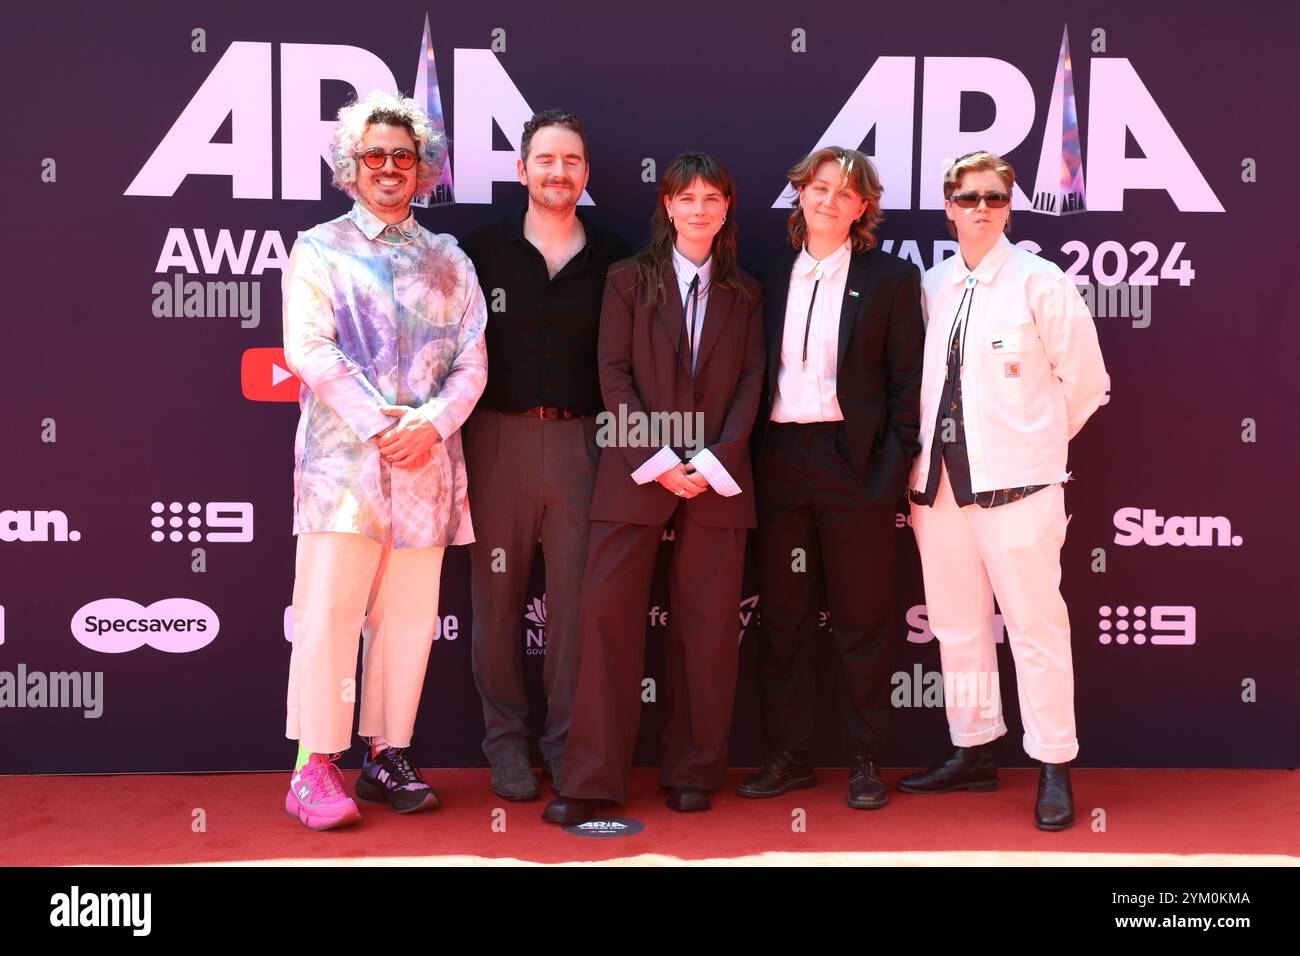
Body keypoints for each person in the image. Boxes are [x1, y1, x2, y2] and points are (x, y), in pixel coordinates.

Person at [281, 89, 488, 830]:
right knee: (330, 616)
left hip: (427, 472)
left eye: (404, 155)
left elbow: (472, 361)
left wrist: (431, 424)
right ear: (352, 165)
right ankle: (313, 767)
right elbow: (310, 350)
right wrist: (381, 427)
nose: (390, 166)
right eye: (375, 155)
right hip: (343, 472)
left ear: (423, 167)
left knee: (406, 621)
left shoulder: (449, 259)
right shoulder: (319, 248)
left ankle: (387, 753)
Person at [543, 152, 765, 824]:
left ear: (726, 209)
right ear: (667, 205)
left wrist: (715, 460)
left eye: (711, 198)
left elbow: (752, 383)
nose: (699, 209)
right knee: (605, 620)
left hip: (718, 480)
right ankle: (591, 779)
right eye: (686, 197)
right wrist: (660, 458)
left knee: (707, 629)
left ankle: (694, 770)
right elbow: (613, 375)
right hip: (636, 470)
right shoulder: (624, 280)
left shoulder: (747, 293)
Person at [899, 150, 1108, 831]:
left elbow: (1087, 385)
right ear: (949, 208)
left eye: (994, 197)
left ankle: (1053, 763)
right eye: (969, 198)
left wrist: (1031, 449)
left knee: (1035, 628)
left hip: (1020, 491)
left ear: (1010, 206)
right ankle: (973, 748)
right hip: (938, 490)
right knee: (957, 626)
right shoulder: (931, 285)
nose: (982, 208)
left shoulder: (1042, 282)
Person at [738, 146, 923, 810]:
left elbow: (907, 389)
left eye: (845, 193)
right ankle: (790, 756)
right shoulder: (764, 274)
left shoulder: (891, 279)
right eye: (819, 188)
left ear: (862, 207)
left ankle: (865, 758)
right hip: (781, 462)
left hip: (855, 466)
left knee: (861, 617)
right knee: (784, 615)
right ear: (800, 194)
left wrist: (885, 479)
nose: (829, 201)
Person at [460, 111, 630, 802]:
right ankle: (505, 745)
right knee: (496, 601)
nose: (559, 172)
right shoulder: (480, 251)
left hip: (583, 445)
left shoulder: (616, 258)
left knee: (574, 607)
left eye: (571, 161)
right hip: (496, 441)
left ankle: (565, 746)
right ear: (522, 169)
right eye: (546, 159)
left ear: (586, 174)